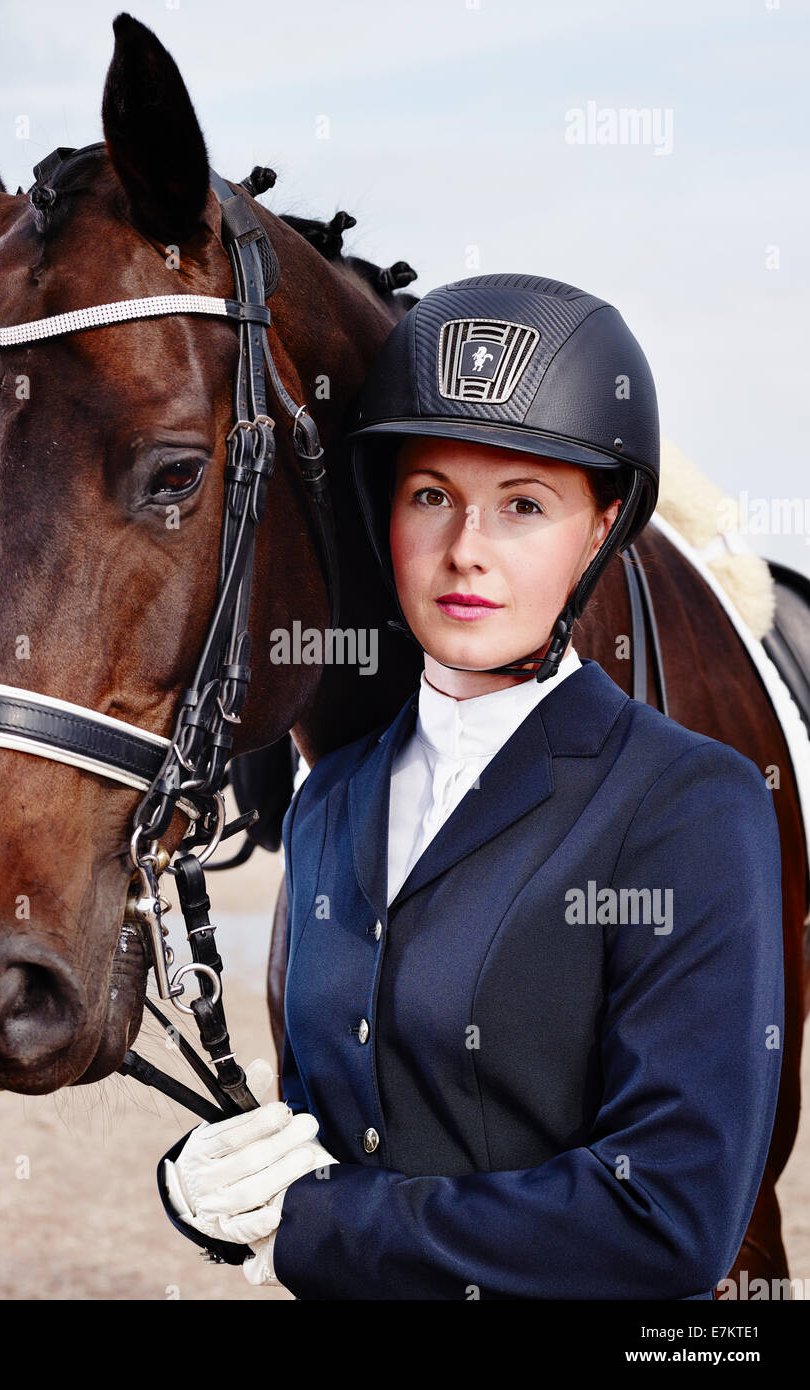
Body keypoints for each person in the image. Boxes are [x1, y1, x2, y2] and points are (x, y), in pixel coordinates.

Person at [158, 273, 785, 1299]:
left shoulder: (690, 806)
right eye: (430, 496)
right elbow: (331, 1128)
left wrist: (327, 1223)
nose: (465, 553)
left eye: (523, 506)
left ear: (598, 526)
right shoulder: (331, 798)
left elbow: (668, 1218)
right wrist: (212, 1185)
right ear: (385, 513)